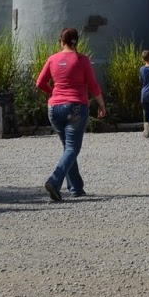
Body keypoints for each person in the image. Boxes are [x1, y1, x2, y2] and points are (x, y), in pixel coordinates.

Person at [36, 27, 106, 202]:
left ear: (61, 41)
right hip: (75, 106)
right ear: (77, 42)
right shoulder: (82, 60)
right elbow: (93, 84)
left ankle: (76, 187)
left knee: (68, 147)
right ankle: (54, 180)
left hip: (54, 108)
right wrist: (101, 103)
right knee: (72, 148)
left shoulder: (52, 59)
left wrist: (52, 93)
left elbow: (39, 83)